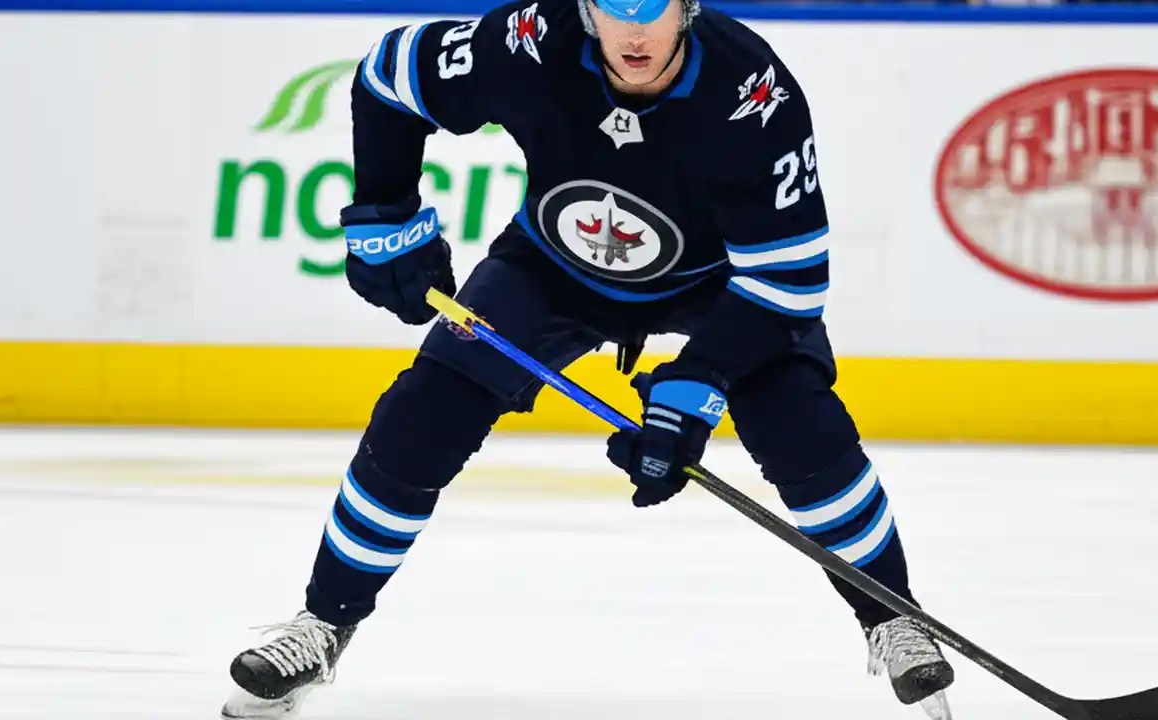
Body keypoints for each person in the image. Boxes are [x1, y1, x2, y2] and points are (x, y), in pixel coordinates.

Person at [220, 1, 954, 718]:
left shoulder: (752, 94)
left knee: (804, 429)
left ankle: (891, 615)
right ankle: (322, 623)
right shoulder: (526, 41)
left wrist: (700, 382)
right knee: (421, 418)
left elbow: (788, 280)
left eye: (652, 6)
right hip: (551, 267)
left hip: (718, 284)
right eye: (612, 5)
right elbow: (388, 77)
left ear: (687, 6)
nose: (633, 29)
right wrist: (385, 216)